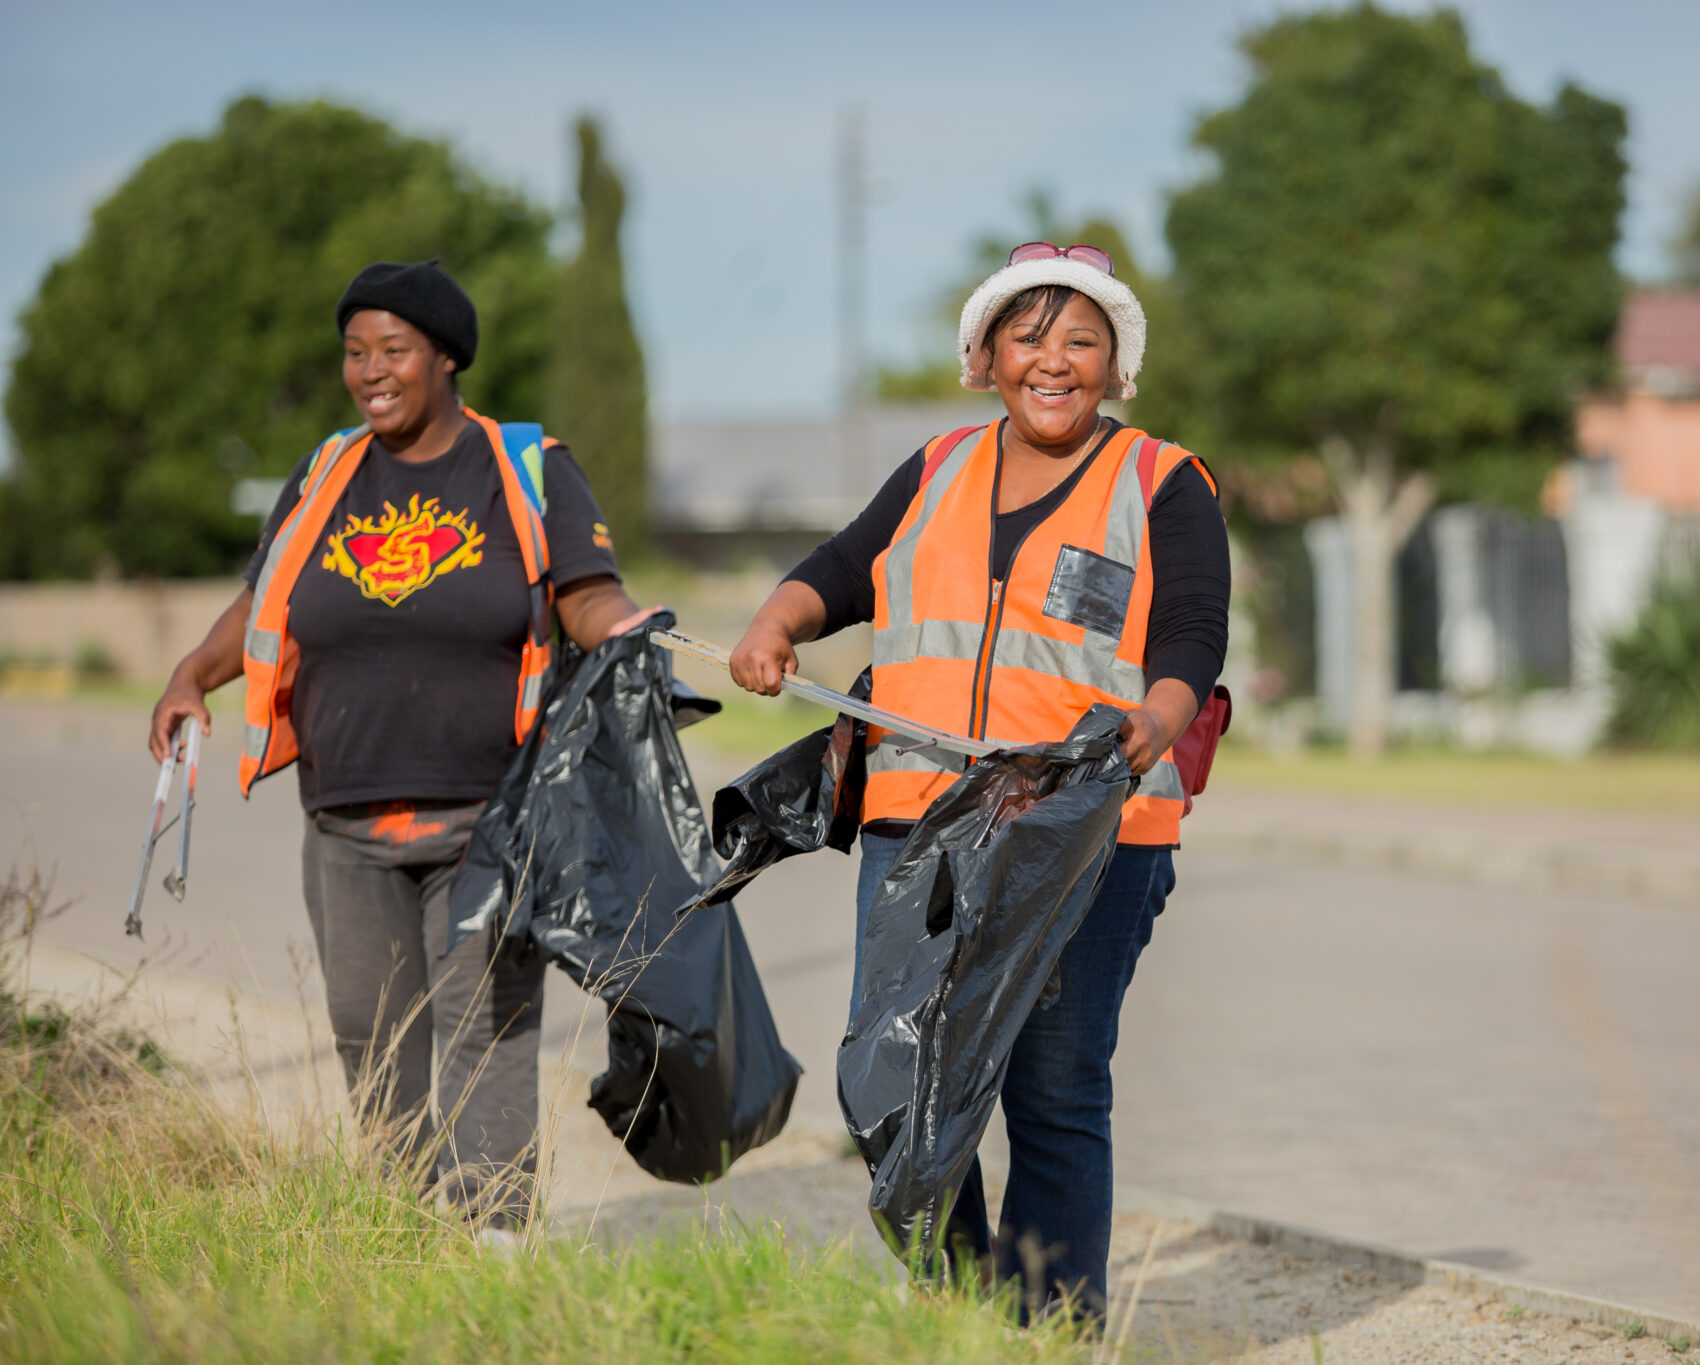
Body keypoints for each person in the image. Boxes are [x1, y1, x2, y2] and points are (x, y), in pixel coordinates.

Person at [729, 242, 1230, 1315]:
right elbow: (838, 569)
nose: (1053, 361)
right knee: (901, 1080)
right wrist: (776, 622)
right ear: (986, 354)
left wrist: (1160, 714)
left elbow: (1192, 633)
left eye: (1080, 341)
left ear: (1114, 366)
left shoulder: (1160, 481)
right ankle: (956, 1316)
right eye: (1028, 336)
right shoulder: (934, 467)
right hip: (917, 828)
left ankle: (1046, 1328)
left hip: (1083, 834)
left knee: (1051, 1092)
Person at [149, 260, 653, 1228]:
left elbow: (585, 592)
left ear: (445, 356)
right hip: (344, 819)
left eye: (393, 350)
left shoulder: (523, 464)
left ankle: (493, 1241)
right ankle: (400, 1235)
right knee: (370, 1039)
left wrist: (628, 627)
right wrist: (188, 675)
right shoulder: (327, 471)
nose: (370, 370)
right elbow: (266, 597)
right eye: (354, 352)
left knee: (485, 1038)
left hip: (488, 820)